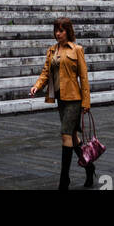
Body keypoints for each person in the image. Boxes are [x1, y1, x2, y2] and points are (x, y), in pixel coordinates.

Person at [29, 16, 93, 190]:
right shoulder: (51, 51)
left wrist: (86, 102)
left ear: (68, 31)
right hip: (60, 99)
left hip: (74, 99)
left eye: (61, 30)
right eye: (56, 30)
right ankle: (90, 167)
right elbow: (45, 73)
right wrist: (36, 86)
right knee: (72, 137)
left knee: (65, 135)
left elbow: (84, 78)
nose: (58, 34)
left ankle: (64, 180)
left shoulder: (77, 49)